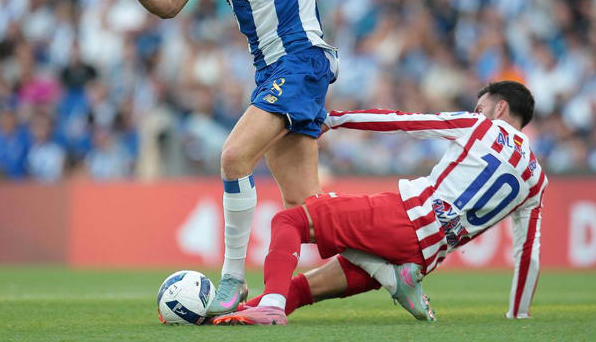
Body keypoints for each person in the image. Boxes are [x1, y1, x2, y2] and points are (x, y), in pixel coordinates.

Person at [104, 0, 459, 315]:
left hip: (303, 61)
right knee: (306, 208)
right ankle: (395, 274)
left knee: (234, 156)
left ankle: (233, 279)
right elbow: (167, 3)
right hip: (270, 73)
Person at [212, 81, 548, 326]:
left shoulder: (481, 126)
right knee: (300, 289)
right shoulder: (536, 181)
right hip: (423, 258)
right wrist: (518, 314)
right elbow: (528, 252)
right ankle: (219, 317)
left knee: (288, 221)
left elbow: (403, 121)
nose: (478, 112)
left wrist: (336, 119)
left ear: (499, 108)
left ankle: (271, 305)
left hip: (402, 219)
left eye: (481, 107)